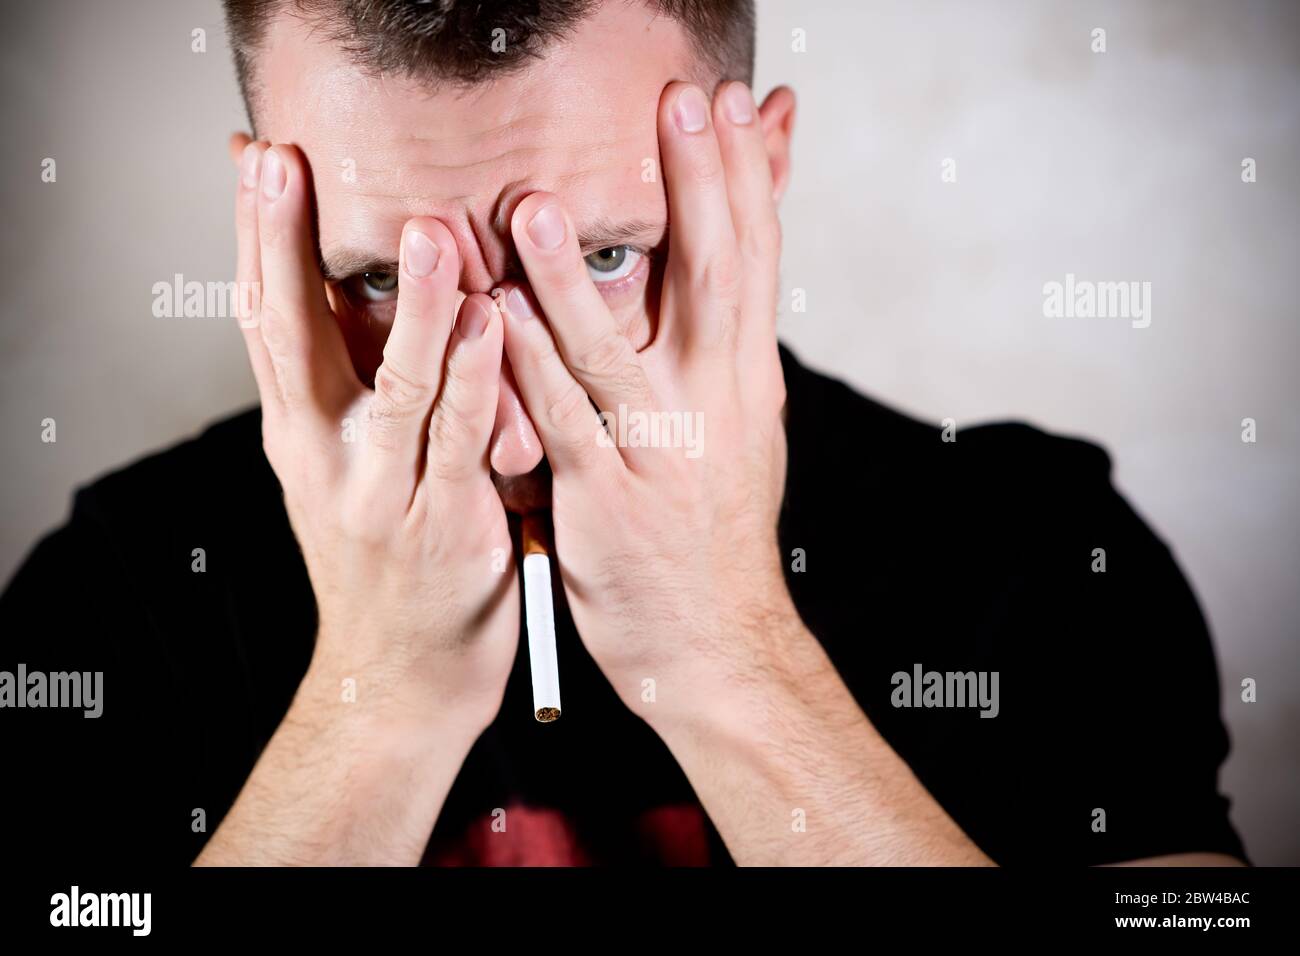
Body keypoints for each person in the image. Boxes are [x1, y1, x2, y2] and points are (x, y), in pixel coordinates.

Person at [0, 0, 1246, 866]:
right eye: (384, 278)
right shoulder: (116, 591)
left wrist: (729, 654)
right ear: (267, 225)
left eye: (598, 256)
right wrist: (376, 702)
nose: (497, 403)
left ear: (753, 171)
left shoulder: (1041, 553)